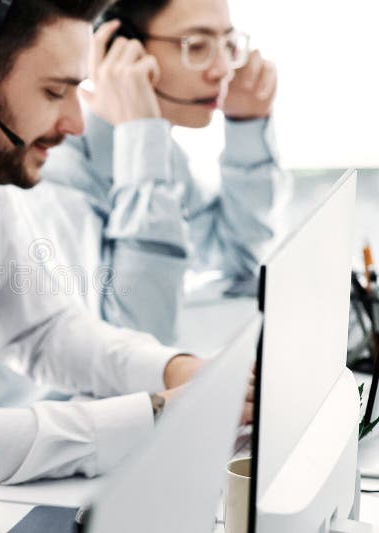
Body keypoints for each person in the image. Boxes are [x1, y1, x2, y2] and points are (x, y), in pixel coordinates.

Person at [0, 0, 245, 487]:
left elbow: (46, 331)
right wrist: (154, 413)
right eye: (56, 91)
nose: (76, 123)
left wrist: (177, 370)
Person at [38, 0, 292, 343]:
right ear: (119, 48)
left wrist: (248, 124)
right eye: (197, 46)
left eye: (228, 44)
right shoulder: (55, 171)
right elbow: (137, 343)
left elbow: (236, 260)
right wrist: (141, 134)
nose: (222, 70)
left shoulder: (162, 154)